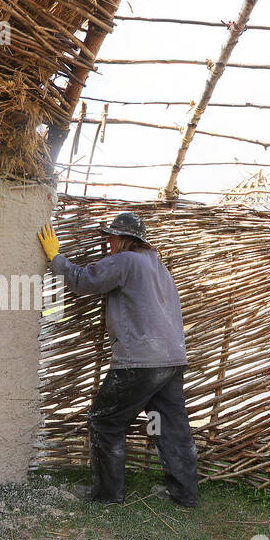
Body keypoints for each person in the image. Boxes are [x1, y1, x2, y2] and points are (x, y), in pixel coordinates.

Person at [41, 210, 201, 508]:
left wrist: (55, 259)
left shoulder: (126, 261)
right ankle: (184, 496)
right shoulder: (159, 267)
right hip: (172, 358)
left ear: (126, 239)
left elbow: (83, 281)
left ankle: (107, 496)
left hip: (139, 360)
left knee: (105, 421)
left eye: (112, 237)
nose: (109, 243)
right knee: (170, 426)